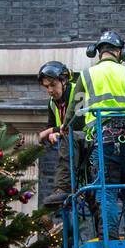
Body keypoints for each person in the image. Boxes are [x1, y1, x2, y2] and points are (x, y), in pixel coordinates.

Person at [79, 29, 125, 239]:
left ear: (97, 52)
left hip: (104, 141)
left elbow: (76, 110)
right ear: (121, 53)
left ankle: (109, 237)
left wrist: (65, 127)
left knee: (106, 190)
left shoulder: (86, 76)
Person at [36, 60, 85, 211]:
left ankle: (62, 189)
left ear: (64, 81)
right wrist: (53, 131)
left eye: (53, 85)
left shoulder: (79, 93)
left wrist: (50, 132)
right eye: (46, 87)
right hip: (71, 148)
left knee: (94, 196)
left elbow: (78, 122)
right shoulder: (52, 103)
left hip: (87, 143)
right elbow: (51, 125)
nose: (50, 90)